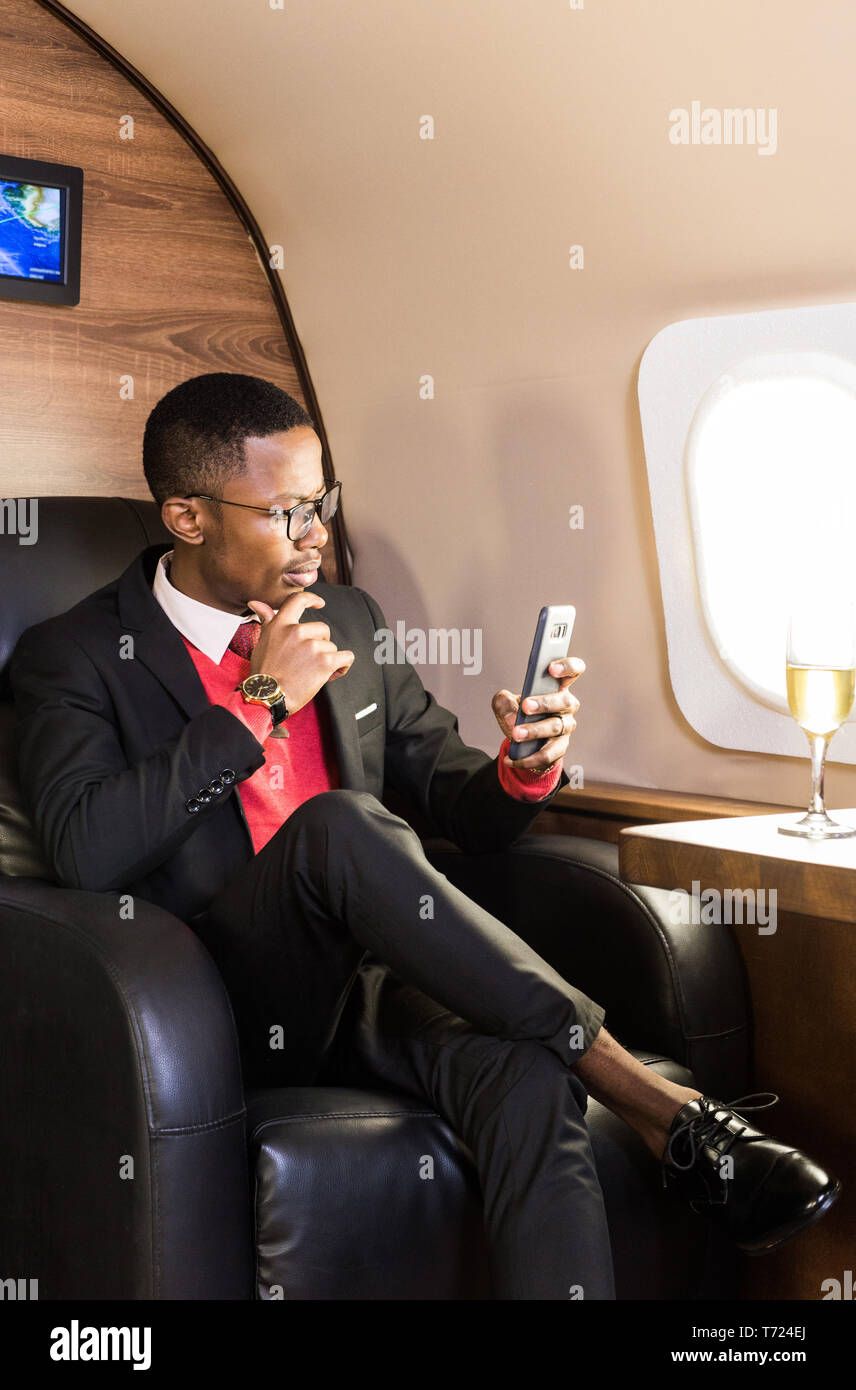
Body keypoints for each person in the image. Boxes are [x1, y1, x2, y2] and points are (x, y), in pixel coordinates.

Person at [9, 373, 840, 1301]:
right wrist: (258, 705)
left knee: (523, 1072)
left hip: (375, 983)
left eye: (320, 502)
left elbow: (455, 804)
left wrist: (523, 768)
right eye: (284, 512)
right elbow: (87, 848)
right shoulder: (74, 654)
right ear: (187, 516)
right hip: (207, 1006)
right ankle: (664, 1108)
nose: (316, 534)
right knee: (338, 826)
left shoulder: (348, 618)